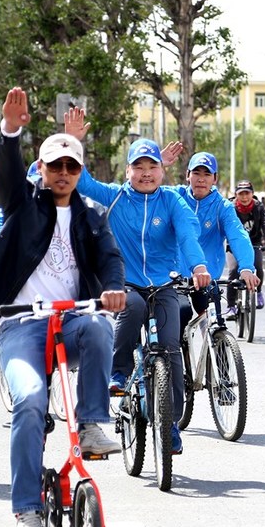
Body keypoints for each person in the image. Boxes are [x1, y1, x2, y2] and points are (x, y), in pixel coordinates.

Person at [0, 87, 127, 527]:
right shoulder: (24, 202)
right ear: (42, 170)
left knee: (100, 325)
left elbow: (110, 260)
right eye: (54, 165)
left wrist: (113, 290)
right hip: (21, 326)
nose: (62, 173)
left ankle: (95, 422)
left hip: (71, 323)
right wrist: (10, 132)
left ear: (79, 172)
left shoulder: (93, 215)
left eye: (70, 166)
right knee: (32, 401)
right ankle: (27, 511)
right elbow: (8, 173)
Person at [72, 129, 209, 456]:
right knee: (131, 308)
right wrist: (74, 141)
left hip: (164, 285)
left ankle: (171, 423)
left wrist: (199, 267)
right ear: (128, 171)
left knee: (172, 351)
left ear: (162, 170)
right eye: (139, 167)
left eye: (152, 167)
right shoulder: (116, 196)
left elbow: (189, 236)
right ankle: (118, 372)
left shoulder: (173, 200)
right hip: (126, 282)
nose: (146, 173)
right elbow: (83, 180)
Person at [144, 142, 260, 320]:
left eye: (207, 174)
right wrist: (157, 163)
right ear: (187, 175)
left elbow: (238, 235)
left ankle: (215, 345)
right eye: (196, 173)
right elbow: (140, 189)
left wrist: (246, 267)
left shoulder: (222, 206)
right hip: (174, 277)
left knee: (214, 320)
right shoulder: (173, 196)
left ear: (215, 178)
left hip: (207, 276)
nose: (201, 179)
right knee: (181, 315)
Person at [224, 180, 265, 313]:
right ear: (236, 195)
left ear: (252, 194)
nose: (244, 197)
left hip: (254, 243)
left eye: (247, 193)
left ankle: (258, 292)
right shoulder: (230, 208)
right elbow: (224, 225)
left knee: (258, 266)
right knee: (234, 270)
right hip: (233, 245)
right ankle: (231, 305)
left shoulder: (258, 207)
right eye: (241, 194)